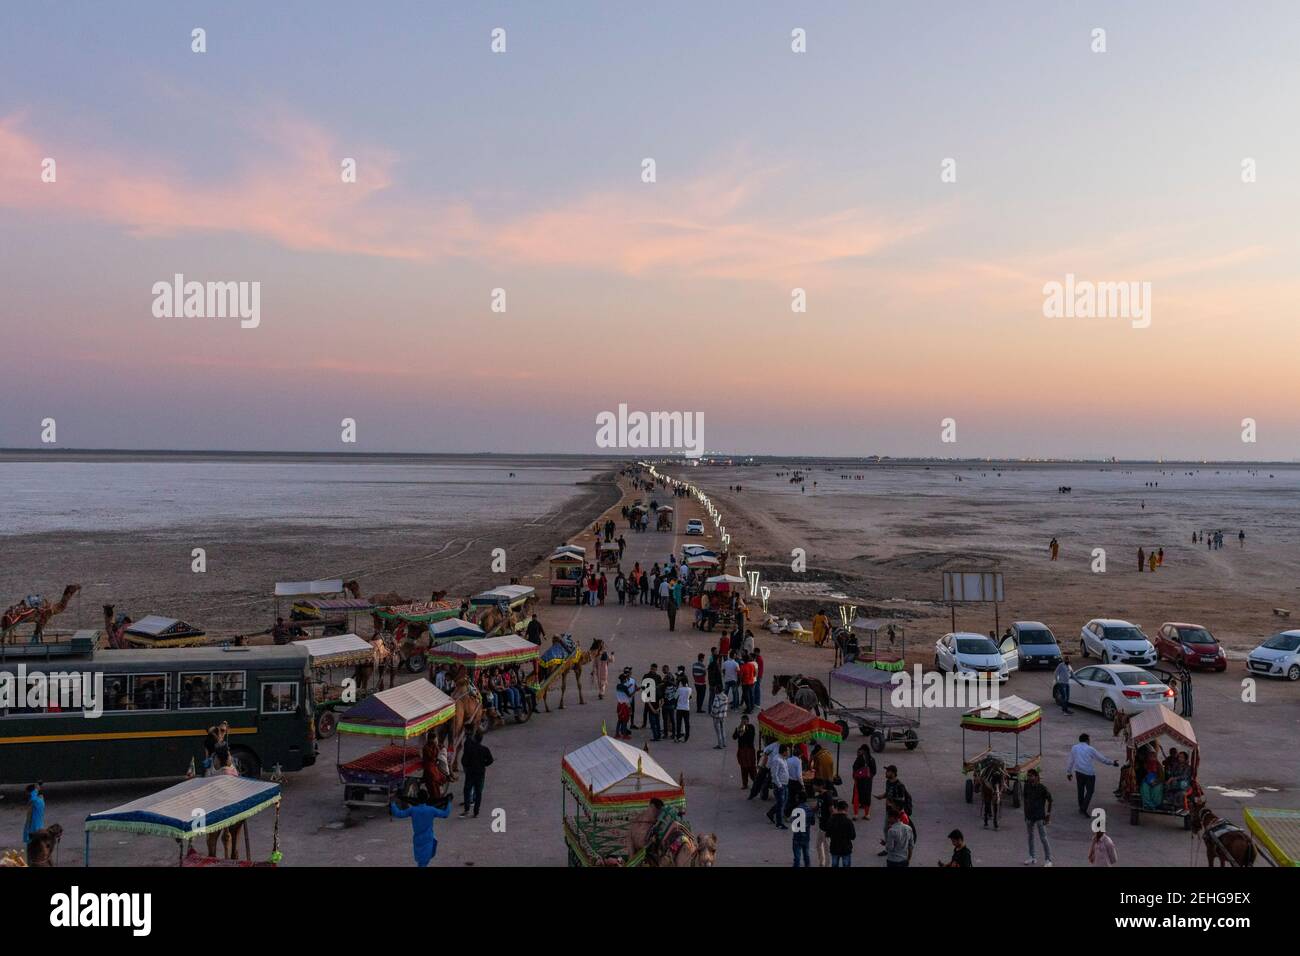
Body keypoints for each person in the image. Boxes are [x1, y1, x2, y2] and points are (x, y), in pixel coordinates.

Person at [390, 789, 451, 867]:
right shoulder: (431, 810)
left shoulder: (413, 810)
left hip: (417, 838)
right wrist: (449, 803)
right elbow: (445, 814)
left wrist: (393, 803)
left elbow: (399, 814)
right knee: (425, 861)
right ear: (427, 798)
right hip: (428, 838)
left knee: (421, 860)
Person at [1066, 732, 1120, 815]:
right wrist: (1112, 763)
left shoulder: (1074, 748)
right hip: (1089, 773)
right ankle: (1083, 808)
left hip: (1079, 772)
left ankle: (1081, 807)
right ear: (1087, 740)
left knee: (1080, 790)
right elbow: (1101, 758)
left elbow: (1071, 761)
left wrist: (1068, 772)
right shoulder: (1090, 749)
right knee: (1090, 791)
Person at [1022, 768, 1053, 866]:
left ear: (1036, 777)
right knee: (1030, 837)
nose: (1029, 777)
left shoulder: (1042, 788)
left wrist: (1048, 814)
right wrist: (1025, 815)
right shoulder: (1026, 787)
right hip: (1030, 815)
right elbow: (1025, 800)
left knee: (1043, 838)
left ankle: (1048, 859)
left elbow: (1050, 800)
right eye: (1028, 776)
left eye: (1031, 776)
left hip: (1040, 816)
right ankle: (1032, 857)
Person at [460, 731, 493, 818]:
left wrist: (468, 766)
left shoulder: (470, 749)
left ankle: (467, 809)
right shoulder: (485, 749)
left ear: (474, 739)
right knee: (478, 793)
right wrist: (483, 764)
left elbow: (463, 761)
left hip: (470, 773)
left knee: (467, 790)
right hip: (480, 773)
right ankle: (476, 812)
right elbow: (490, 760)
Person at [767, 744, 791, 828]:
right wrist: (779, 785)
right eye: (788, 750)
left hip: (785, 784)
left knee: (782, 803)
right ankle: (779, 823)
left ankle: (770, 813)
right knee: (781, 804)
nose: (789, 752)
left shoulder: (783, 759)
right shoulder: (777, 760)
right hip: (780, 785)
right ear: (784, 752)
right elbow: (774, 774)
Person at [827, 800, 856, 866]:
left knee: (834, 864)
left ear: (837, 808)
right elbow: (853, 836)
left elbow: (828, 834)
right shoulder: (848, 822)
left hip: (834, 848)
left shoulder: (831, 820)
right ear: (846, 809)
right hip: (846, 848)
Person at [732, 714, 757, 789]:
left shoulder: (751, 727)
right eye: (742, 721)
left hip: (749, 750)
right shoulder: (739, 728)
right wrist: (738, 731)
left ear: (748, 721)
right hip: (742, 750)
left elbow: (751, 737)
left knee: (752, 767)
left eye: (745, 721)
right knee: (743, 768)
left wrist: (745, 731)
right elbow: (734, 737)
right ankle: (745, 783)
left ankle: (756, 781)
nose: (744, 722)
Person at [851, 744, 875, 819]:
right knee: (867, 797)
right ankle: (867, 814)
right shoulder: (872, 759)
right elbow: (874, 771)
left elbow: (854, 768)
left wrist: (855, 777)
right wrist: (869, 777)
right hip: (868, 782)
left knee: (857, 797)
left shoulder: (859, 758)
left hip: (859, 781)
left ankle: (855, 814)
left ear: (863, 750)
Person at [22, 783, 45, 858]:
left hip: (33, 831)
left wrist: (36, 788)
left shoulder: (34, 801)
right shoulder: (41, 801)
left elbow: (32, 797)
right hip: (40, 828)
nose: (26, 794)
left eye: (27, 792)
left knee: (32, 855)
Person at [791, 792, 814, 867]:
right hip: (806, 836)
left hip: (797, 836)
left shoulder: (796, 810)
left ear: (798, 799)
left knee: (797, 857)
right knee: (806, 855)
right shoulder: (809, 809)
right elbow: (813, 822)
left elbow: (793, 824)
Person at [710, 682, 728, 749]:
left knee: (718, 731)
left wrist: (712, 714)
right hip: (723, 715)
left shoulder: (717, 697)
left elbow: (715, 707)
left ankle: (720, 744)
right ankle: (724, 743)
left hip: (717, 716)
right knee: (723, 729)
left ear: (717, 690)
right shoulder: (725, 696)